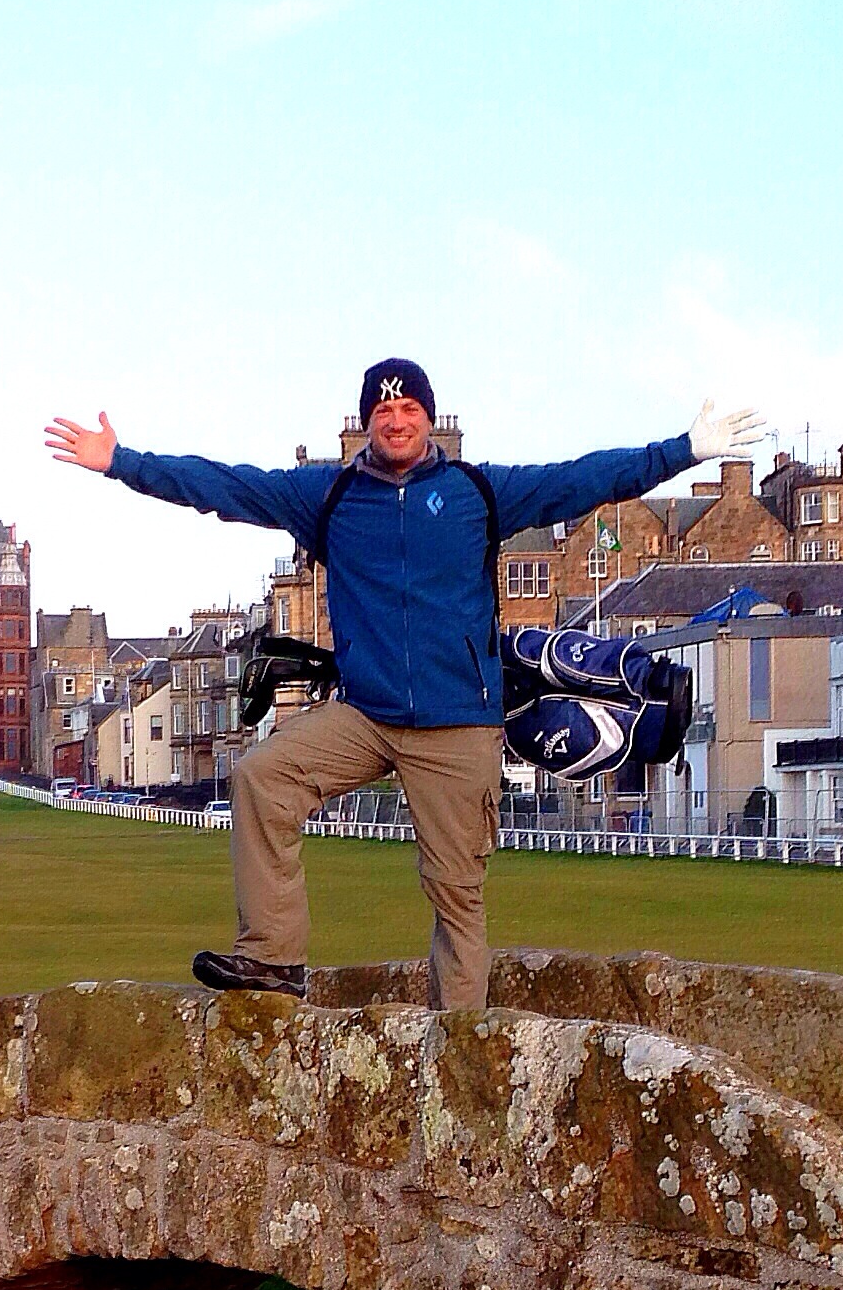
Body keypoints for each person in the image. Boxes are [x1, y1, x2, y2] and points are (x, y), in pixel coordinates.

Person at [45, 360, 762, 1008]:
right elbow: (225, 488)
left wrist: (685, 450)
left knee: (456, 893)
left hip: (458, 723)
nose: (396, 420)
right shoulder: (326, 498)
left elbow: (582, 479)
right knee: (263, 780)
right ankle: (272, 959)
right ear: (366, 423)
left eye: (409, 409)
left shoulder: (479, 491)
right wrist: (121, 462)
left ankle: (460, 1040)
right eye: (382, 411)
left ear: (427, 418)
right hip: (367, 715)